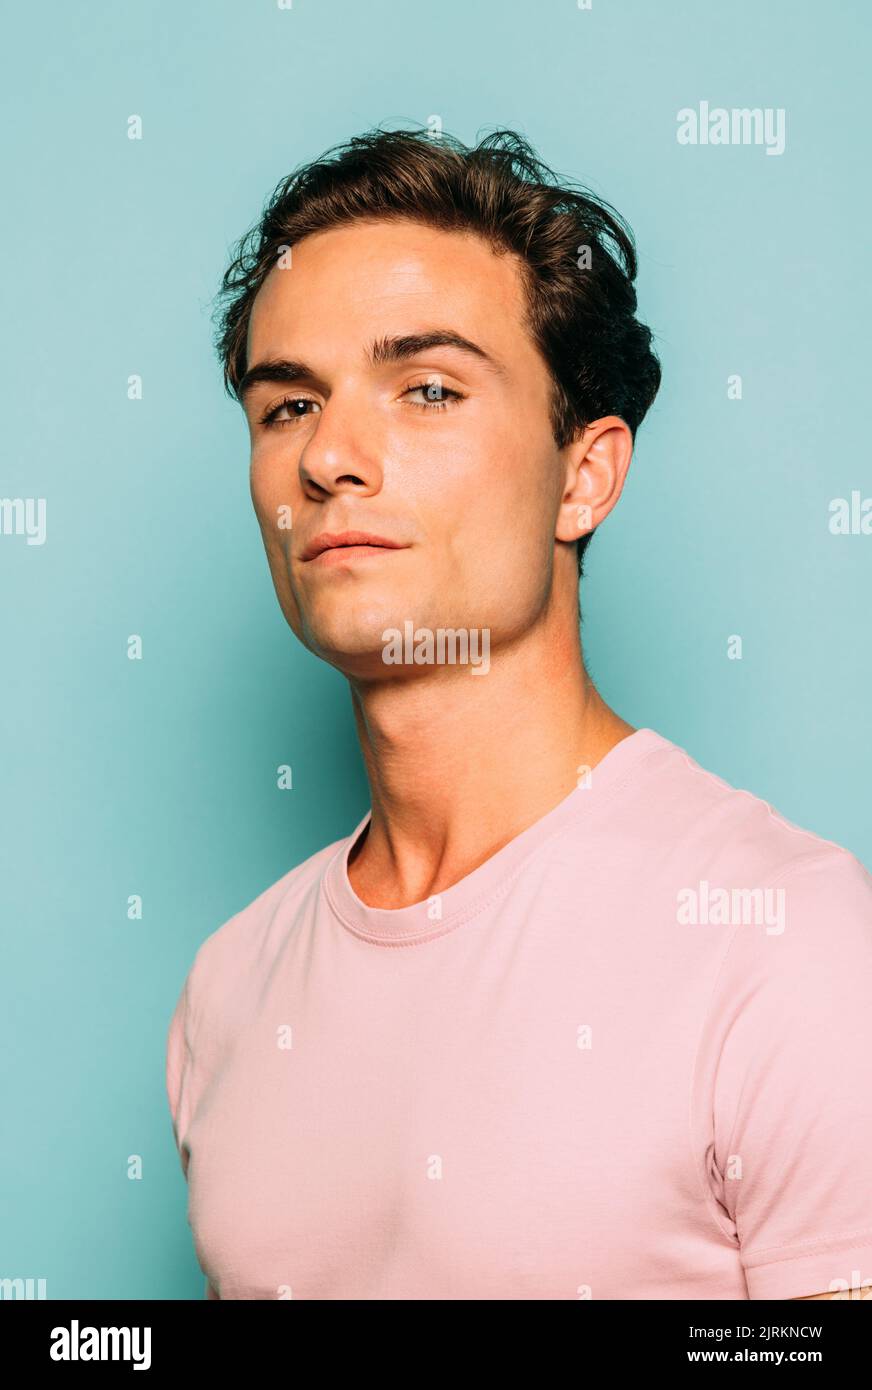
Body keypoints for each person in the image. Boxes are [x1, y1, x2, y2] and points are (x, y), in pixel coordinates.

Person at [166, 127, 872, 1301]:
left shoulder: (785, 942)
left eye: (427, 388)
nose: (331, 456)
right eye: (286, 404)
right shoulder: (229, 987)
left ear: (583, 476)